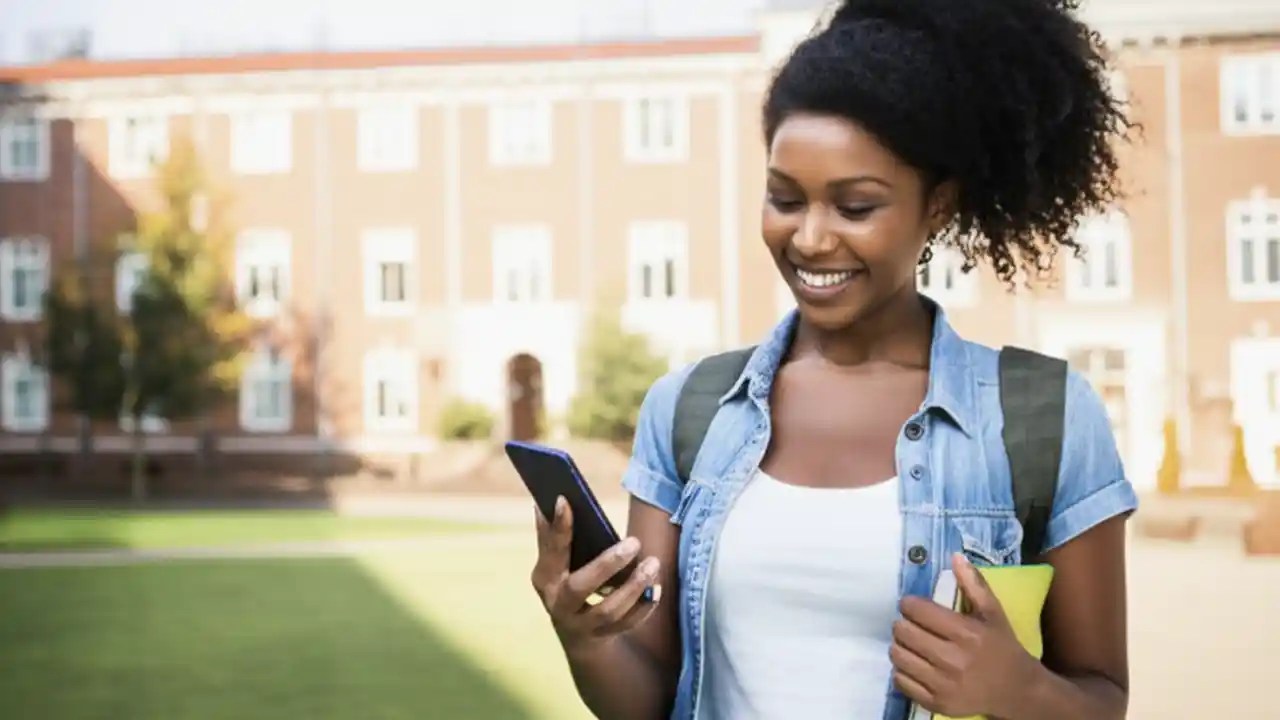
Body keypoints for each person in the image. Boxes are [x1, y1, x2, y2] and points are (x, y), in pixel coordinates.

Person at [529, 0, 1138, 717]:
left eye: (855, 207)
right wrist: (586, 638)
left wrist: (1019, 689)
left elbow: (1102, 696)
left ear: (938, 204)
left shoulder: (1044, 417)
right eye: (785, 199)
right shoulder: (690, 410)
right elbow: (650, 700)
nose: (811, 239)